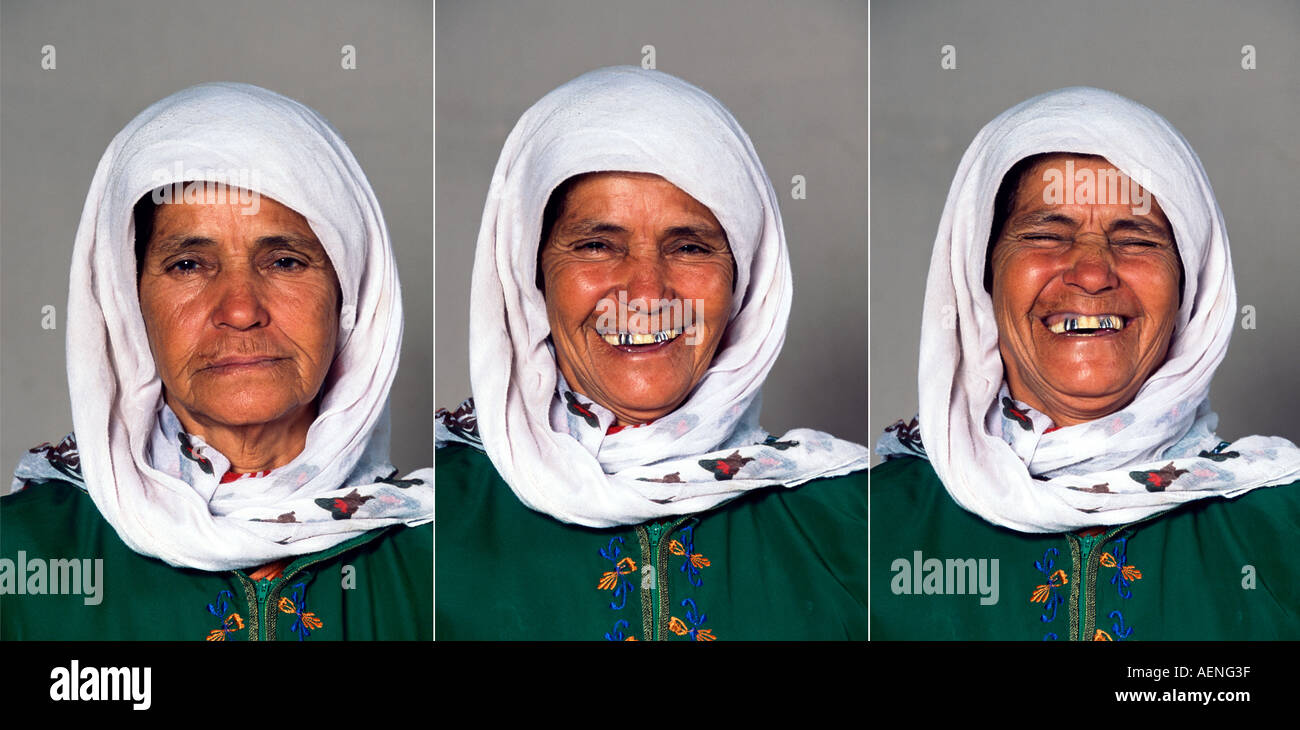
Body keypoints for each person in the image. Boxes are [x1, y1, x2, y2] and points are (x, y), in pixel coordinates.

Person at [436, 66, 870, 640]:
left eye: (689, 247)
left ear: (744, 278)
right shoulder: (434, 517)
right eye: (597, 245)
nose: (645, 294)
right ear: (530, 274)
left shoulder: (854, 518)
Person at [1, 83, 433, 641]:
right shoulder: (25, 559)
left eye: (283, 261)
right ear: (128, 303)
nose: (239, 309)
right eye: (187, 264)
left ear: (349, 294)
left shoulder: (444, 561)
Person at [871, 87, 1300, 640]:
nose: (1093, 273)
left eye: (1137, 239)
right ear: (982, 276)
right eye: (1046, 234)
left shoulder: (1283, 526)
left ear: (1189, 288)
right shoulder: (865, 528)